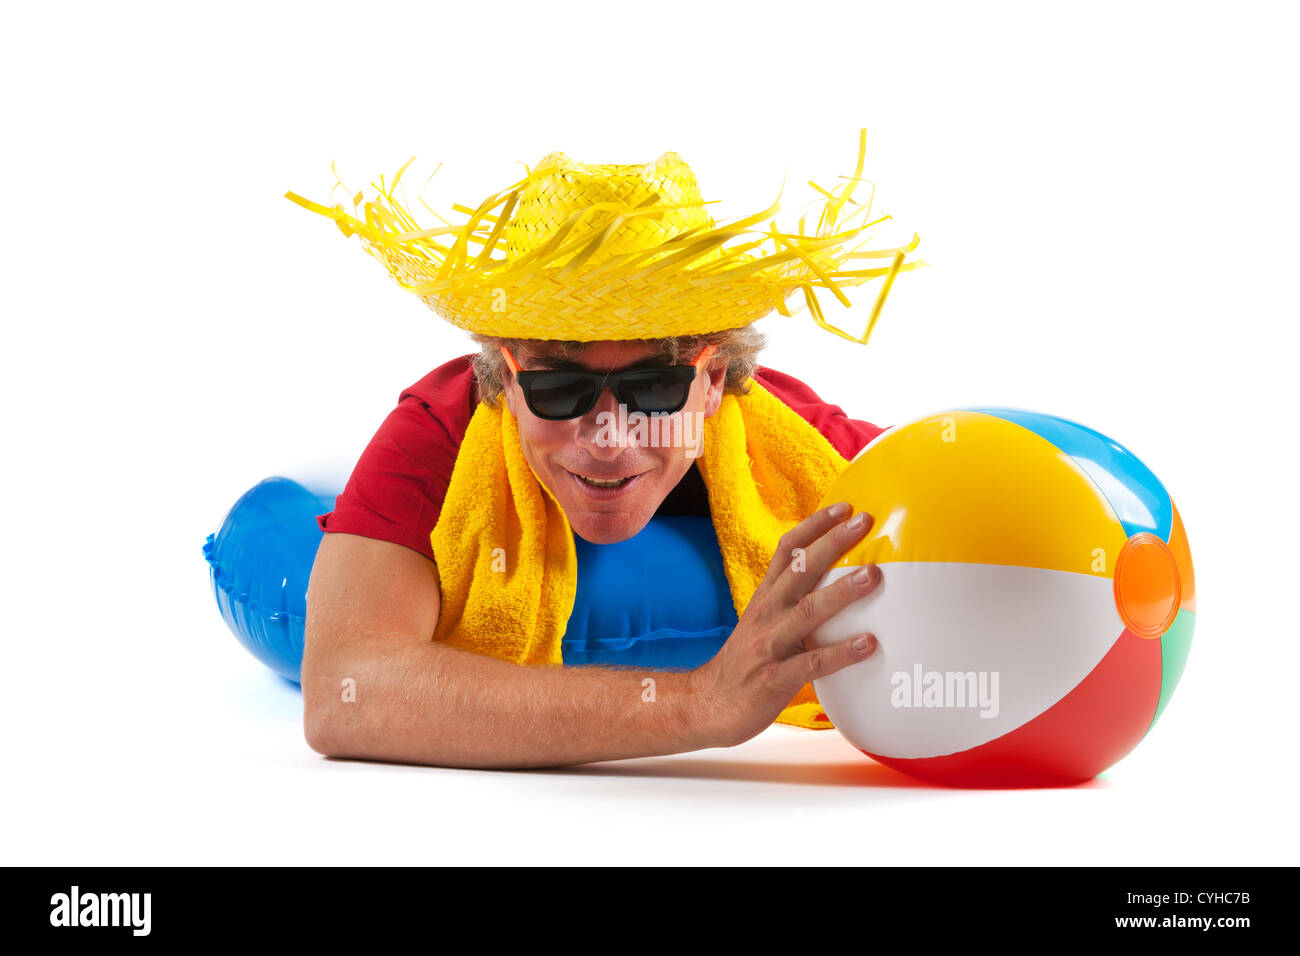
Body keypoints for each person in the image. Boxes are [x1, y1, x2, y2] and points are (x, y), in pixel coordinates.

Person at [285, 130, 921, 769]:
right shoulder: (436, 435)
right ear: (506, 381)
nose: (609, 440)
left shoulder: (798, 443)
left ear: (714, 381)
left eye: (654, 388)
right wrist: (698, 702)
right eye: (559, 388)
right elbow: (346, 693)